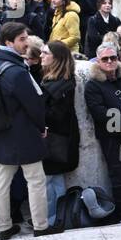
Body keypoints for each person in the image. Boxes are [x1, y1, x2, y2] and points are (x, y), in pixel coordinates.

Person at [0, 23, 52, 238]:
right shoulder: (16, 70)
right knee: (35, 180)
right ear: (9, 43)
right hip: (23, 132)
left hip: (1, 131)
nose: (27, 43)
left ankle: (5, 227)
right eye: (22, 39)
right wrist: (41, 127)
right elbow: (34, 103)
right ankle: (41, 227)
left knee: (2, 180)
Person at [39, 41, 80, 226]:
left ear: (57, 58)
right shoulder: (55, 80)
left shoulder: (62, 84)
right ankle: (57, 218)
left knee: (50, 181)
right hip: (57, 138)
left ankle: (53, 219)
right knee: (54, 180)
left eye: (45, 53)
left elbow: (57, 115)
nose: (41, 56)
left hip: (56, 138)